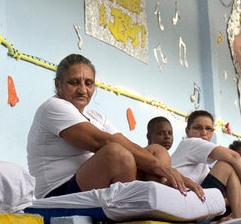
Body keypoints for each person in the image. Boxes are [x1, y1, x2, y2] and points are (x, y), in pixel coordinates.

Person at [27, 54, 201, 200]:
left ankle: (163, 194)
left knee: (157, 151)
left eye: (88, 83)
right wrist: (161, 168)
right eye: (74, 82)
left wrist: (164, 169)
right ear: (58, 85)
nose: (82, 89)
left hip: (91, 184)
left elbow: (123, 141)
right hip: (59, 192)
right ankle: (148, 199)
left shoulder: (97, 117)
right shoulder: (53, 107)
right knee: (117, 154)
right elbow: (103, 142)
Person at [153, 111, 241, 220]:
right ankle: (239, 221)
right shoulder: (190, 143)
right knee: (227, 165)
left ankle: (230, 219)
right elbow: (234, 157)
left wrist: (239, 198)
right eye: (198, 128)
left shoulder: (203, 165)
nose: (204, 133)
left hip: (198, 202)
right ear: (187, 131)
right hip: (185, 201)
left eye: (208, 129)